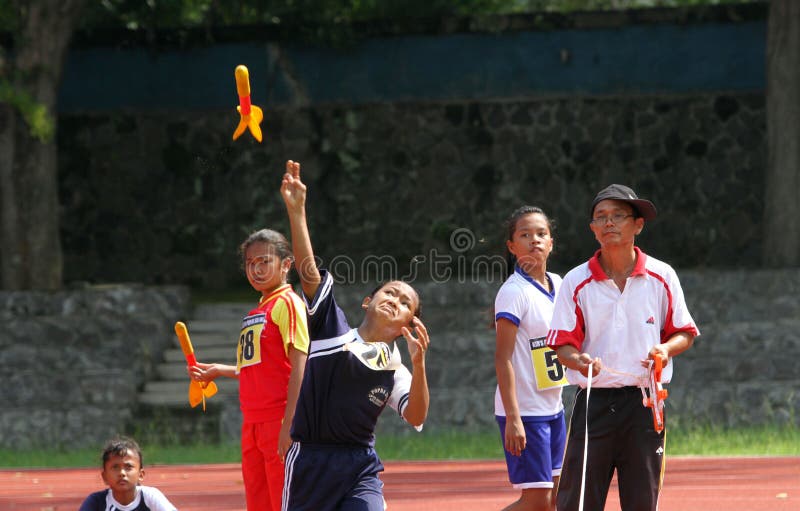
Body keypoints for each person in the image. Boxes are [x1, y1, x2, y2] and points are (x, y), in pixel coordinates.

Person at [279, 159, 431, 511]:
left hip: (359, 465)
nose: (394, 300)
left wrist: (420, 364)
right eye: (389, 293)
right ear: (368, 301)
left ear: (409, 323)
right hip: (310, 462)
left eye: (405, 302)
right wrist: (298, 211)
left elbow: (418, 416)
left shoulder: (395, 368)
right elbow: (309, 274)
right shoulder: (333, 330)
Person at [546, 184, 699, 511]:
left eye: (618, 216)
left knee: (642, 500)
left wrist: (665, 350)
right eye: (601, 217)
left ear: (638, 225)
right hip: (594, 403)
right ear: (592, 229)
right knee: (578, 501)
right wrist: (578, 360)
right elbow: (562, 346)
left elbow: (684, 332)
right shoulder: (576, 281)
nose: (609, 223)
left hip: (645, 404)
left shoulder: (662, 276)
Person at [189, 228, 309, 511]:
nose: (256, 269)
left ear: (286, 264)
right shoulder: (258, 310)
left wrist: (290, 423)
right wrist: (219, 370)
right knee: (259, 502)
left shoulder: (288, 304)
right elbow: (259, 369)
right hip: (252, 422)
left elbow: (300, 367)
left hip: (278, 419)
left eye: (264, 261)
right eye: (249, 263)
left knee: (285, 502)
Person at [494, 206, 567, 511]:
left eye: (541, 233)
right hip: (525, 411)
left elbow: (565, 341)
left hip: (554, 407)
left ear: (551, 242)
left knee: (557, 499)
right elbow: (503, 358)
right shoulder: (513, 292)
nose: (534, 240)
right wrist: (514, 418)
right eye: (524, 235)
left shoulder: (559, 283)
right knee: (537, 501)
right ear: (512, 246)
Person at [78, 436, 177, 511]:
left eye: (128, 467)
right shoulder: (96, 502)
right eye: (115, 467)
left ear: (141, 474)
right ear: (105, 477)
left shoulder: (151, 497)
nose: (122, 473)